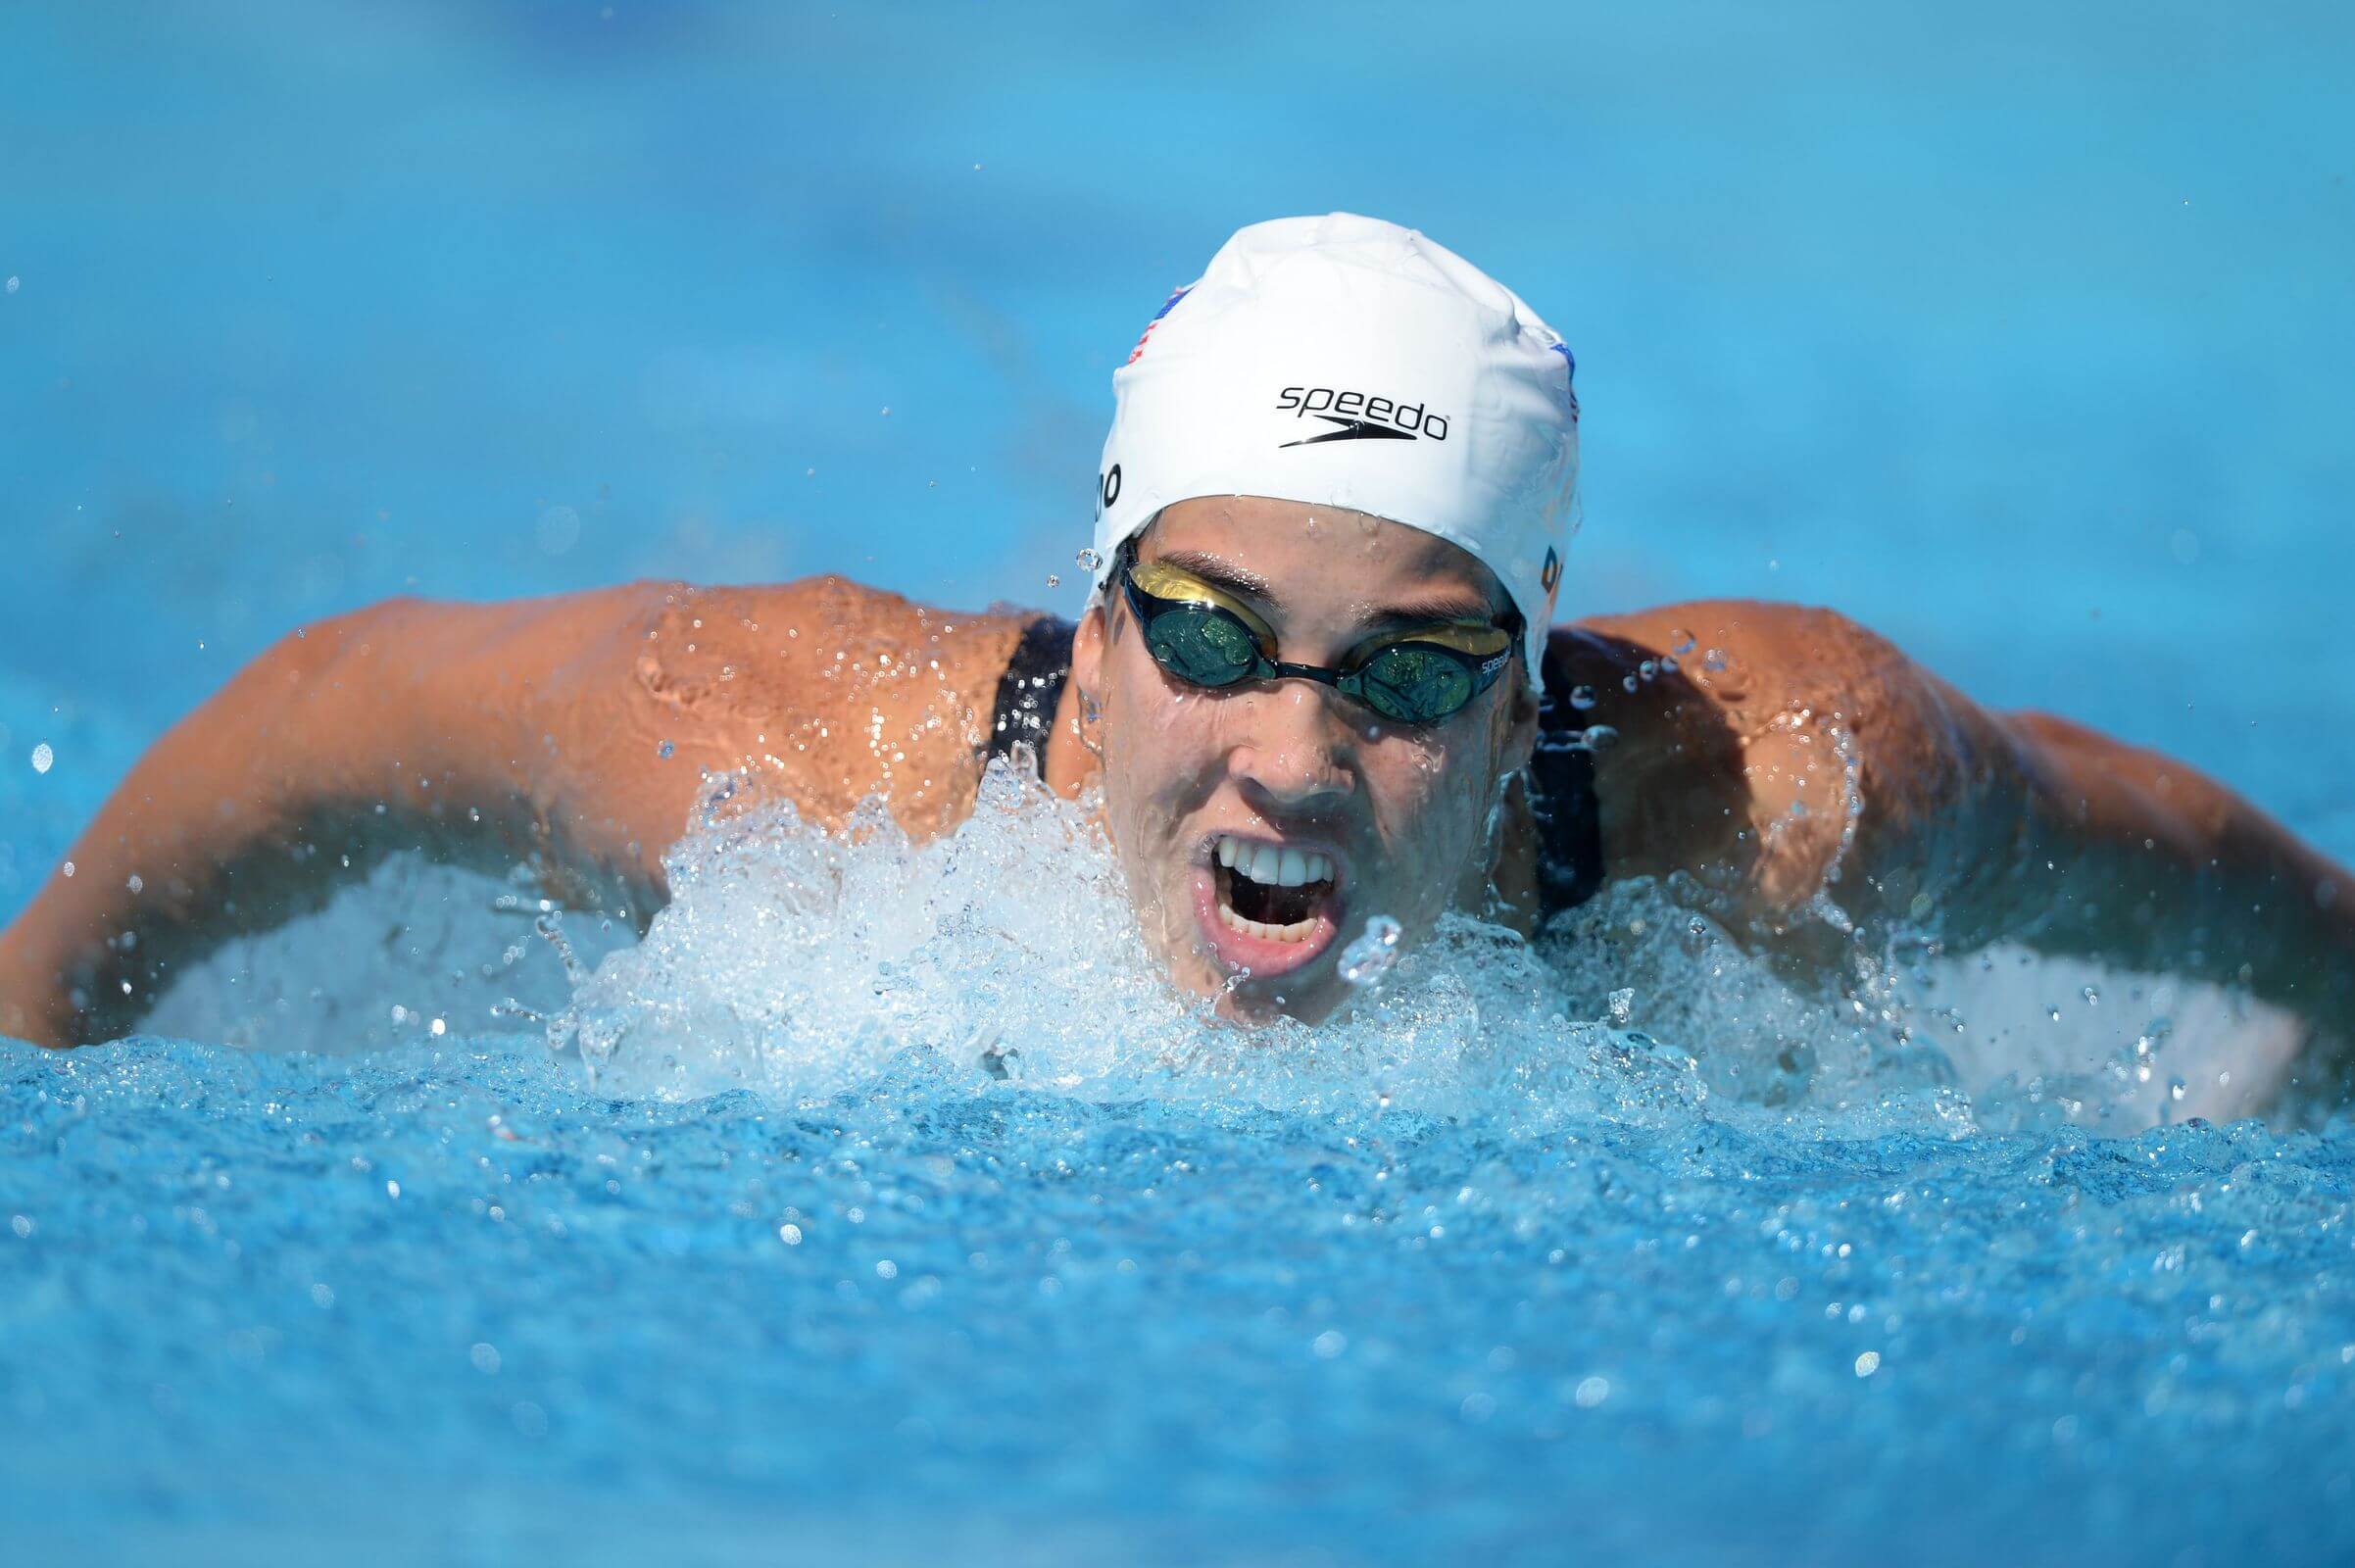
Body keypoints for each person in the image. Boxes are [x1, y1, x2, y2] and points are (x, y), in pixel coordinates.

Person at [3, 215, 2349, 1107]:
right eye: (1212, 635)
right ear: (1100, 612)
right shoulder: (802, 768)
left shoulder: (1787, 788)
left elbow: (2234, 896)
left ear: (1533, 676)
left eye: (1411, 674)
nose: (1291, 757)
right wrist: (32, 1003)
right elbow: (331, 713)